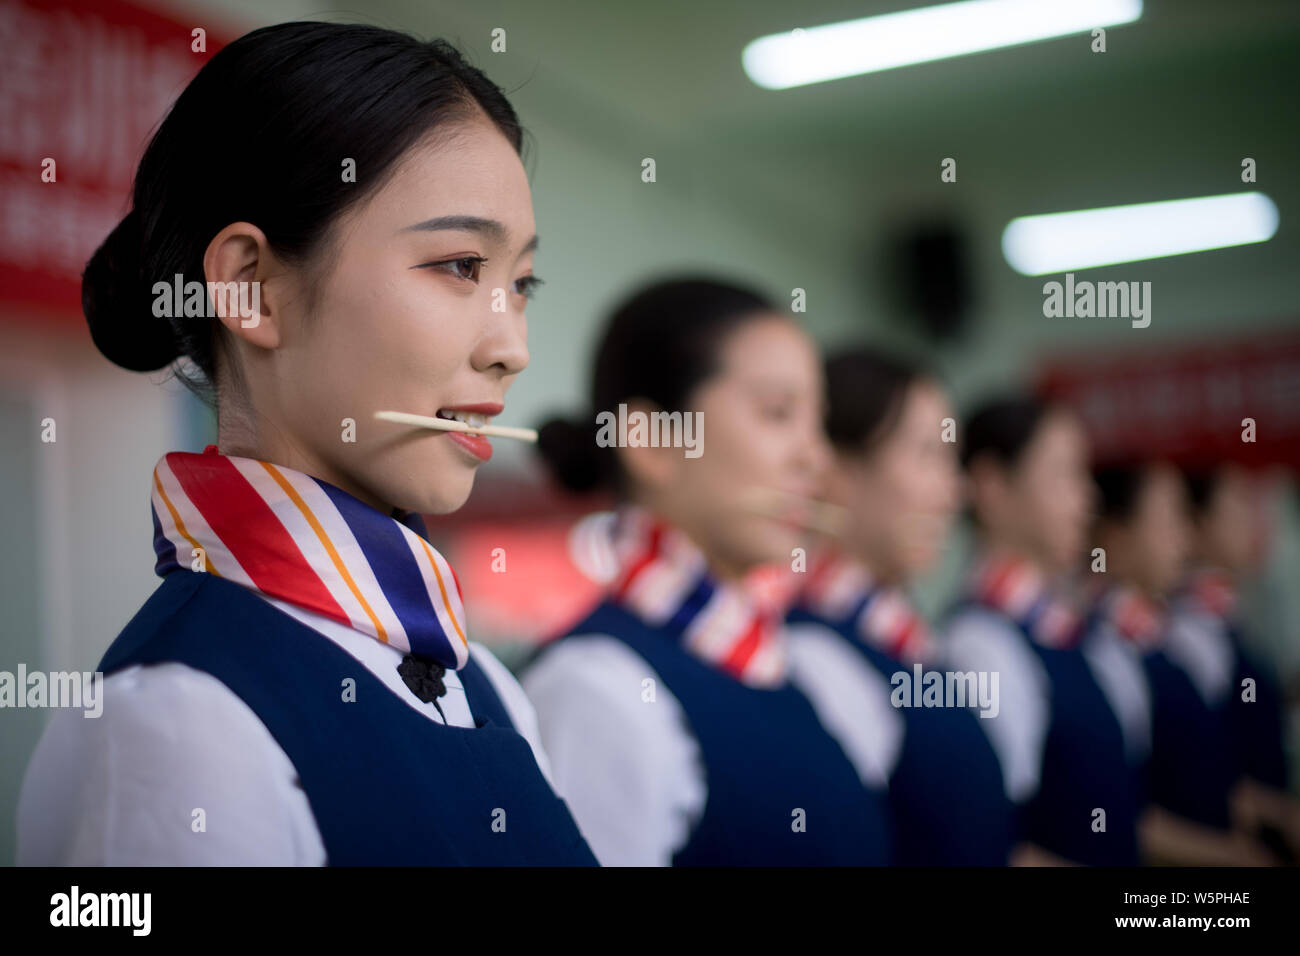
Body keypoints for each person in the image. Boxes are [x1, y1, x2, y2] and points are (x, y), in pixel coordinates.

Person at [16, 22, 596, 866]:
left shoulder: (490, 689)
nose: (514, 347)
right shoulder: (173, 725)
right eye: (462, 265)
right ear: (250, 287)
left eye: (521, 283)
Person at [522, 278, 895, 866]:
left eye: (816, 423)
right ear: (649, 442)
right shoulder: (593, 690)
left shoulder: (791, 665)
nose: (816, 458)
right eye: (777, 414)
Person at [785, 349, 1016, 864]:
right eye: (928, 455)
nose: (954, 493)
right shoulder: (804, 654)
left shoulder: (898, 635)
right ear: (837, 470)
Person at [944, 396, 1142, 865]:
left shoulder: (1066, 629)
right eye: (1064, 473)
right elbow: (992, 842)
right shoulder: (978, 645)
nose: (1087, 498)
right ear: (992, 485)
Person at [1089, 462, 1280, 865]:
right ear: (1116, 537)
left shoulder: (1161, 634)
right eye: (1167, 519)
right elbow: (1126, 808)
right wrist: (1234, 855)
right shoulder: (1103, 648)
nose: (1184, 536)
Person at [1177, 464, 1299, 859]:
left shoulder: (1231, 612)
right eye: (1238, 506)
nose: (1253, 521)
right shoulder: (1185, 633)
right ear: (1197, 524)